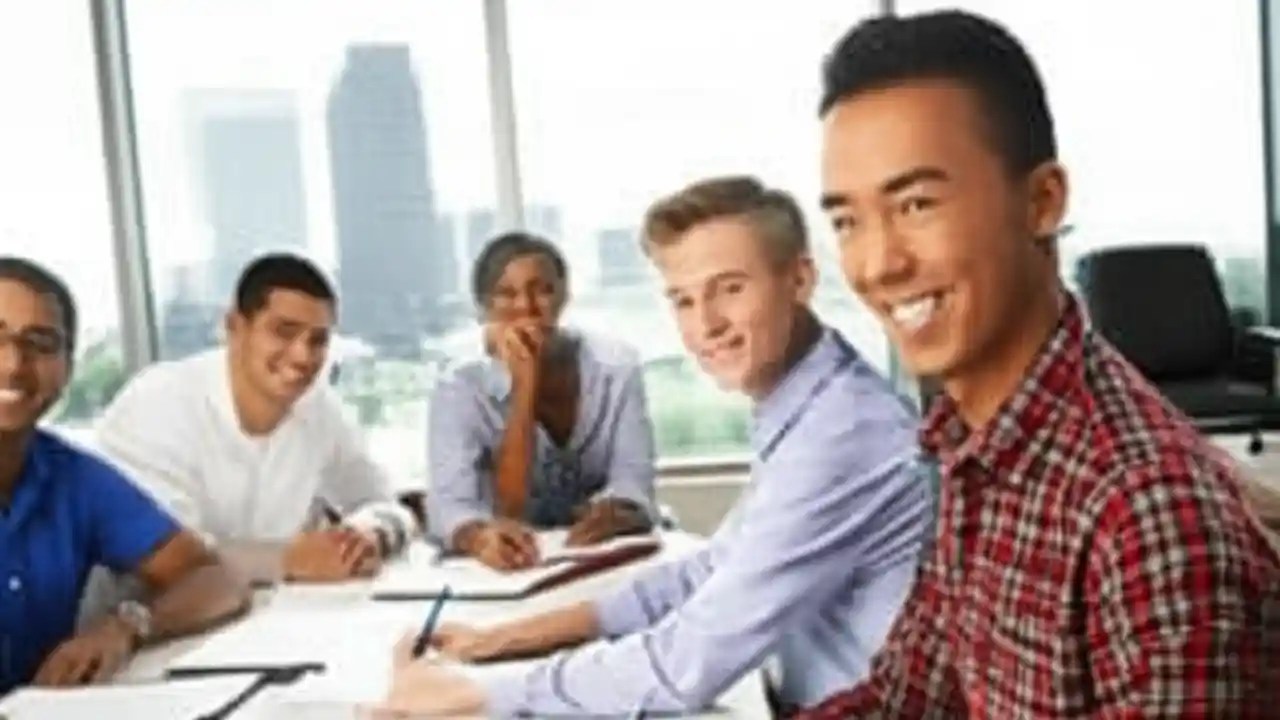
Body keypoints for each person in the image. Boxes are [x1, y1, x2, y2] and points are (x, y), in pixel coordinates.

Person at [797, 10, 1280, 717]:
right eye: (848, 221)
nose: (878, 263)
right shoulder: (975, 447)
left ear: (1042, 200)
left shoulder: (1148, 517)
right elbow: (908, 698)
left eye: (917, 203)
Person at [380, 178, 931, 716]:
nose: (706, 325)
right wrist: (498, 640)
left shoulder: (842, 433)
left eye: (731, 288)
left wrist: (477, 695)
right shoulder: (807, 404)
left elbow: (686, 664)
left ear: (800, 279)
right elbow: (711, 569)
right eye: (683, 301)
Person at [0, 257, 249, 692]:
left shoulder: (73, 478)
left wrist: (127, 625)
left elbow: (215, 578)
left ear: (68, 366)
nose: (14, 365)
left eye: (40, 343)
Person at [97, 254, 416, 584]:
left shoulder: (318, 406)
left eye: (317, 340)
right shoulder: (158, 403)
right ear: (235, 327)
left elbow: (385, 504)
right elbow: (166, 556)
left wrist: (369, 534)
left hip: (274, 619)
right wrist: (287, 560)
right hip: (151, 622)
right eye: (284, 332)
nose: (302, 355)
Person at [427, 232, 658, 571]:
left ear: (564, 295)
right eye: (506, 294)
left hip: (600, 555)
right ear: (485, 307)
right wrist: (525, 387)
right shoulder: (459, 386)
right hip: (509, 564)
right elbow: (466, 508)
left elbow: (634, 479)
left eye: (543, 290)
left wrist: (619, 510)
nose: (527, 308)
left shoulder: (615, 368)